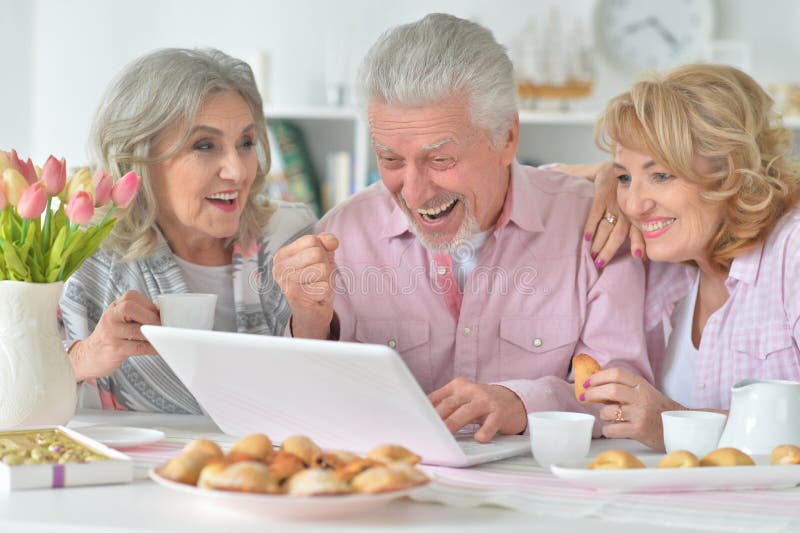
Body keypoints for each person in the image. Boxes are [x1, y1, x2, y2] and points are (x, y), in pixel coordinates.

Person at [273, 13, 653, 442]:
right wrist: (308, 321)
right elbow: (309, 405)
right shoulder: (343, 234)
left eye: (441, 160)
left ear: (507, 139)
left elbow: (622, 400)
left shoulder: (596, 225)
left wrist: (521, 405)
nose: (413, 194)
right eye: (392, 160)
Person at [60, 48, 315, 413]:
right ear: (140, 158)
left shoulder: (290, 236)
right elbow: (19, 395)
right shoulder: (86, 255)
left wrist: (311, 319)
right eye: (205, 145)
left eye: (246, 143)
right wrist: (86, 355)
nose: (238, 171)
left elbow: (324, 388)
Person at [575, 64, 800, 449]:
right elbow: (521, 189)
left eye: (661, 175)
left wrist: (673, 425)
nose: (633, 204)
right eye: (625, 178)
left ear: (731, 172)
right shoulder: (666, 266)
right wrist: (602, 178)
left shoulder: (790, 252)